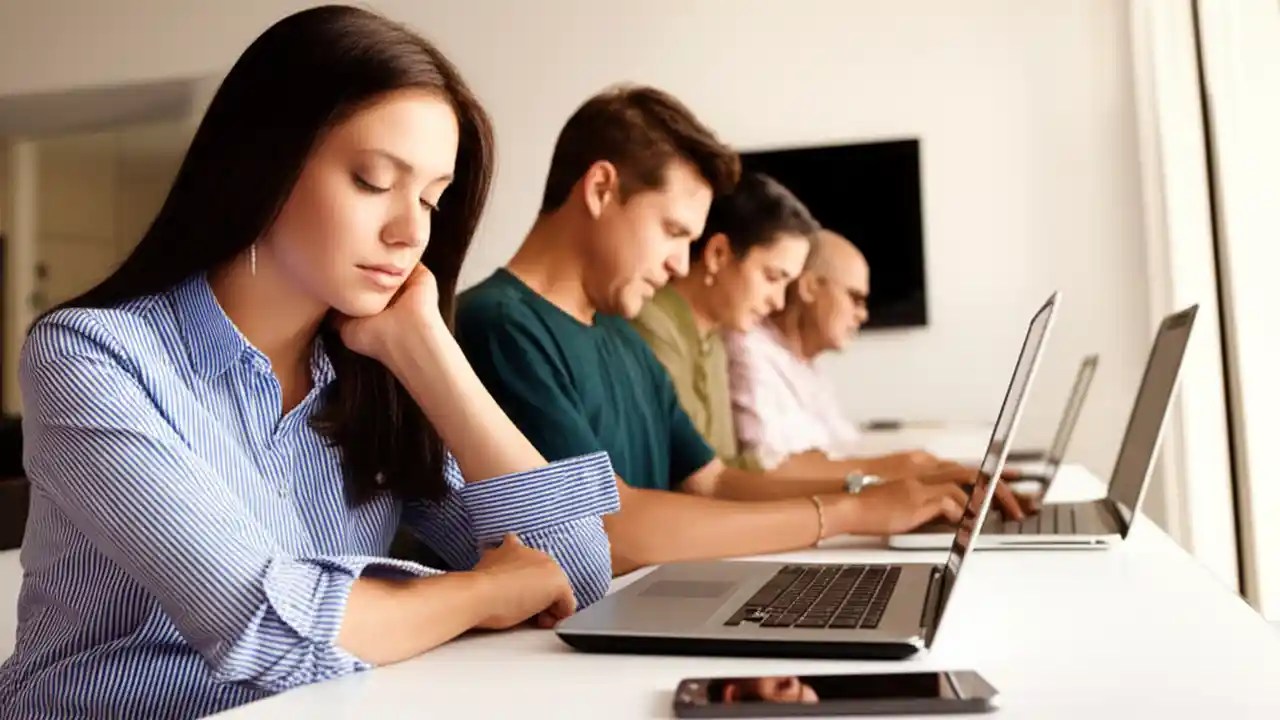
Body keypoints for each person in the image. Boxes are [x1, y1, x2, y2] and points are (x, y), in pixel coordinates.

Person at [0, 7, 620, 718]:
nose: (409, 232)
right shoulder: (93, 356)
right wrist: (484, 590)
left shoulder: (373, 378)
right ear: (267, 162)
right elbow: (264, 627)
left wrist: (427, 351)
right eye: (372, 180)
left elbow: (575, 574)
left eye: (431, 200)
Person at [456, 85, 973, 577]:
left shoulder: (623, 336)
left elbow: (713, 481)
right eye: (674, 232)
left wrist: (878, 495)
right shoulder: (499, 326)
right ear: (600, 190)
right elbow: (614, 528)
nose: (682, 265)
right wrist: (844, 514)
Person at [630, 174, 1005, 498]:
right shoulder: (658, 326)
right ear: (717, 255)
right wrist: (864, 491)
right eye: (773, 278)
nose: (778, 301)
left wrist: (878, 486)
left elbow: (727, 473)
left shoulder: (712, 337)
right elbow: (706, 482)